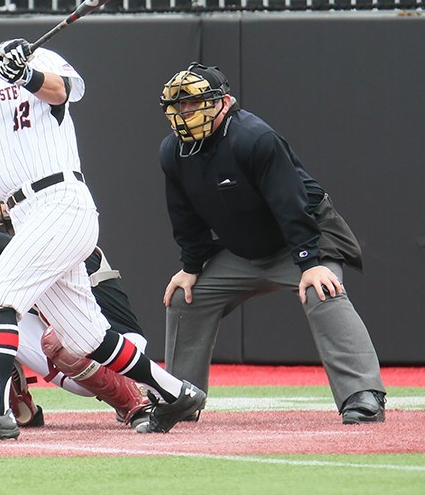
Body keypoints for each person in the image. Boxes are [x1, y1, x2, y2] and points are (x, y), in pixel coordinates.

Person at [0, 8, 205, 440]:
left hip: (60, 199)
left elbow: (62, 92)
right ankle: (176, 392)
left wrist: (26, 74)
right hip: (24, 213)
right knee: (87, 336)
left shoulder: (40, 58)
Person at [157, 62, 387, 425]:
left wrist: (309, 262)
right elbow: (184, 215)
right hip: (243, 251)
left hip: (304, 239)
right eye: (180, 105)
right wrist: (191, 266)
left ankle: (363, 394)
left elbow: (290, 203)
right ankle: (181, 397)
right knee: (187, 297)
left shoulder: (254, 138)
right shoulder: (172, 151)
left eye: (195, 102)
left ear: (224, 103)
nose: (186, 112)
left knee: (322, 291)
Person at [0, 187, 151, 429]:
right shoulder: (26, 253)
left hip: (118, 352)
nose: (4, 206)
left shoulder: (68, 236)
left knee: (60, 337)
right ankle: (19, 411)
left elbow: (2, 246)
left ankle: (134, 401)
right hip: (66, 350)